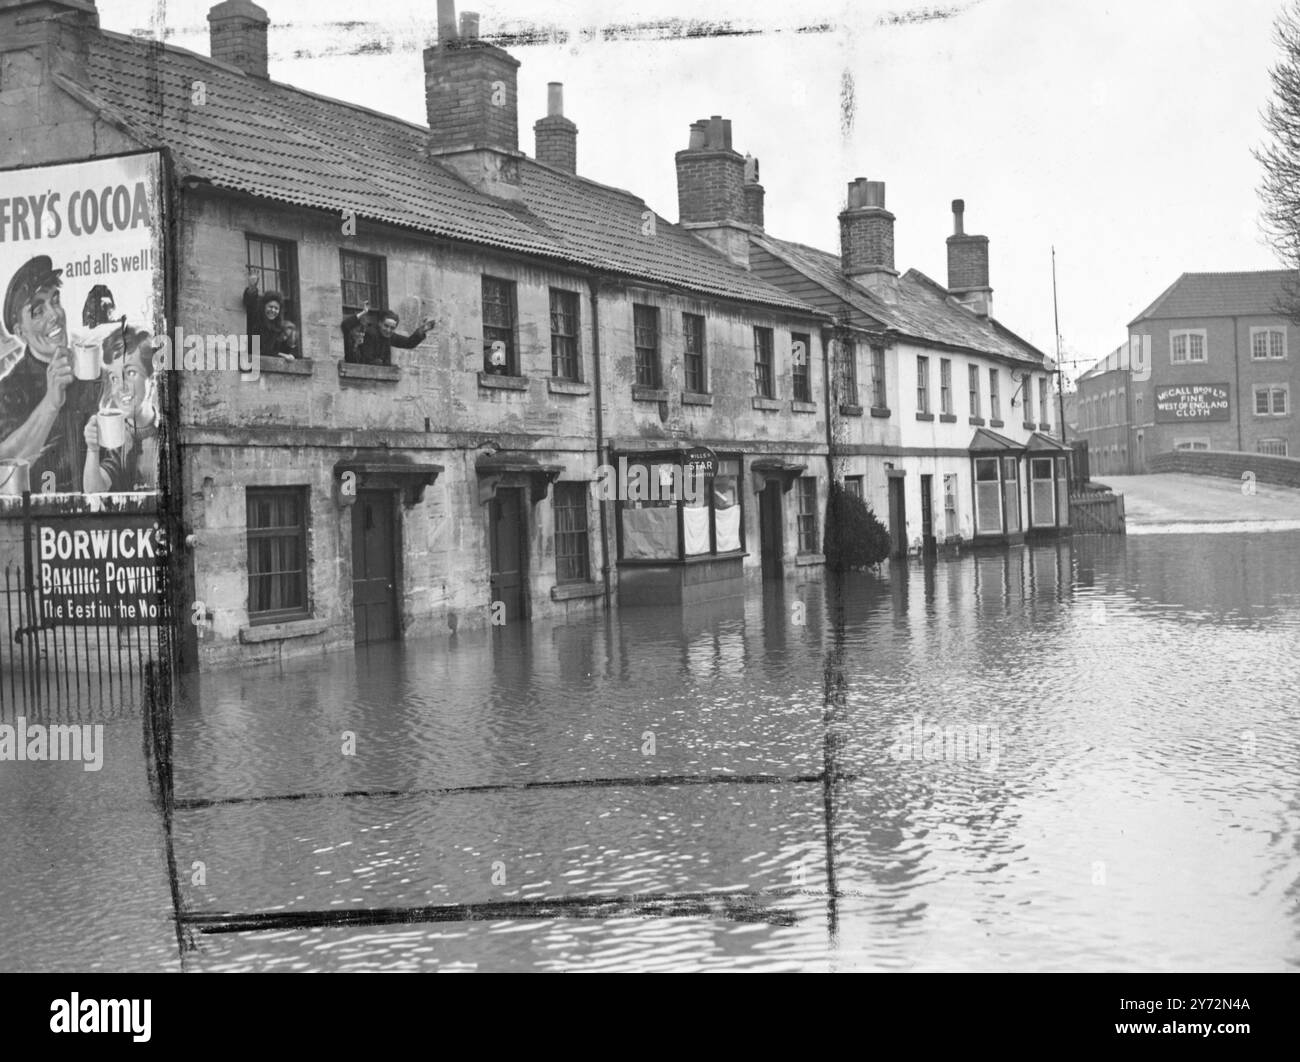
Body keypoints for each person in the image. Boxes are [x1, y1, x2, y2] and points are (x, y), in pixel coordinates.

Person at [0, 255, 98, 492]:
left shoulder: (92, 371)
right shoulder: (9, 390)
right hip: (36, 521)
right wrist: (50, 404)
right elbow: (4, 464)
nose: (54, 315)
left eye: (55, 300)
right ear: (19, 331)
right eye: (37, 311)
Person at [82, 326, 158, 493]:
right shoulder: (118, 436)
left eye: (130, 373)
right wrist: (92, 449)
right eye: (114, 378)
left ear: (152, 381)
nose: (120, 388)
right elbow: (94, 491)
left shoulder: (167, 432)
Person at [341, 300, 434, 365]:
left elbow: (408, 343)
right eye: (386, 326)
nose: (388, 330)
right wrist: (363, 313)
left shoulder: (390, 336)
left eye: (392, 328)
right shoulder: (369, 332)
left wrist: (422, 330)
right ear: (380, 323)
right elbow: (346, 326)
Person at [243, 270, 288, 359]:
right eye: (270, 307)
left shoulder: (278, 328)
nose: (273, 310)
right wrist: (252, 287)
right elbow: (250, 302)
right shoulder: (256, 319)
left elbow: (273, 350)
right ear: (264, 307)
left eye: (276, 308)